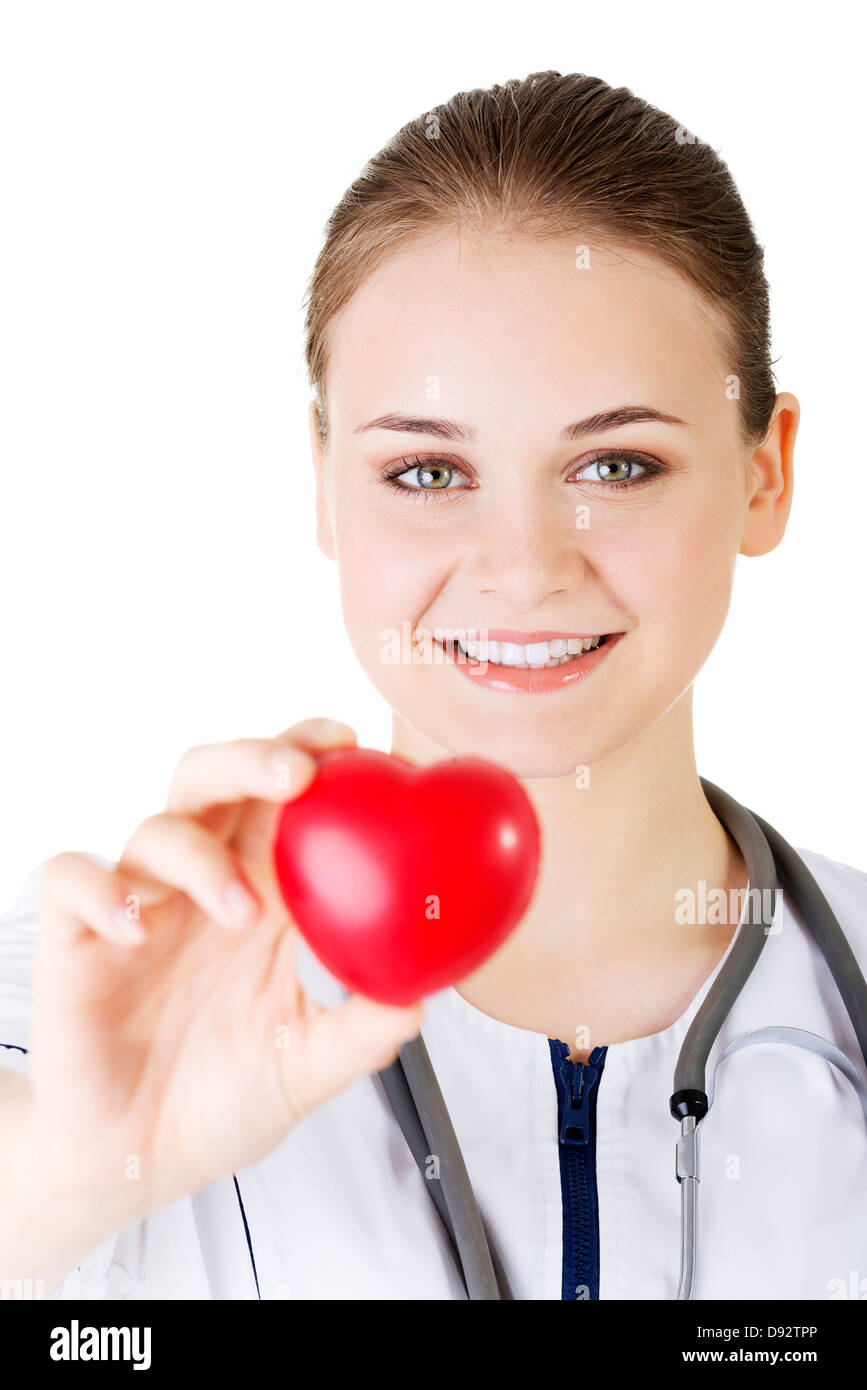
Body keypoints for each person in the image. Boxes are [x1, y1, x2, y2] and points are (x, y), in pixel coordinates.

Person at [1, 70, 865, 1302]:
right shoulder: (99, 990)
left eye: (618, 462)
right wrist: (74, 1169)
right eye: (424, 471)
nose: (523, 568)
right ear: (322, 484)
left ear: (767, 474)